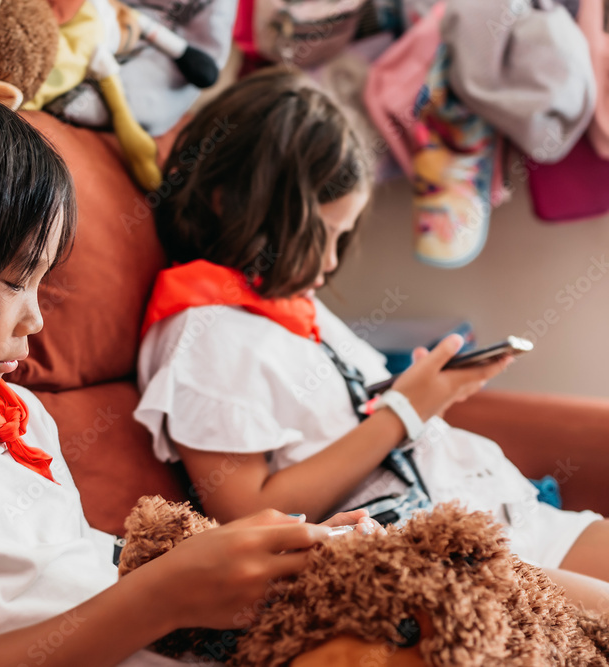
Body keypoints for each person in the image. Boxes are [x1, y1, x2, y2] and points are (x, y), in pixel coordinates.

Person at [0, 67, 376, 667]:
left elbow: (70, 580)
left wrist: (260, 557)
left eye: (42, 284)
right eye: (16, 280)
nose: (36, 321)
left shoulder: (19, 417)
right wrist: (164, 595)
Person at [134, 66, 609, 605]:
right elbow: (248, 514)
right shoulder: (205, 331)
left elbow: (360, 411)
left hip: (502, 509)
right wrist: (404, 412)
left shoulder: (291, 303)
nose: (331, 263)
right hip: (448, 559)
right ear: (228, 200)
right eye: (322, 235)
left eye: (342, 236)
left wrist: (431, 392)